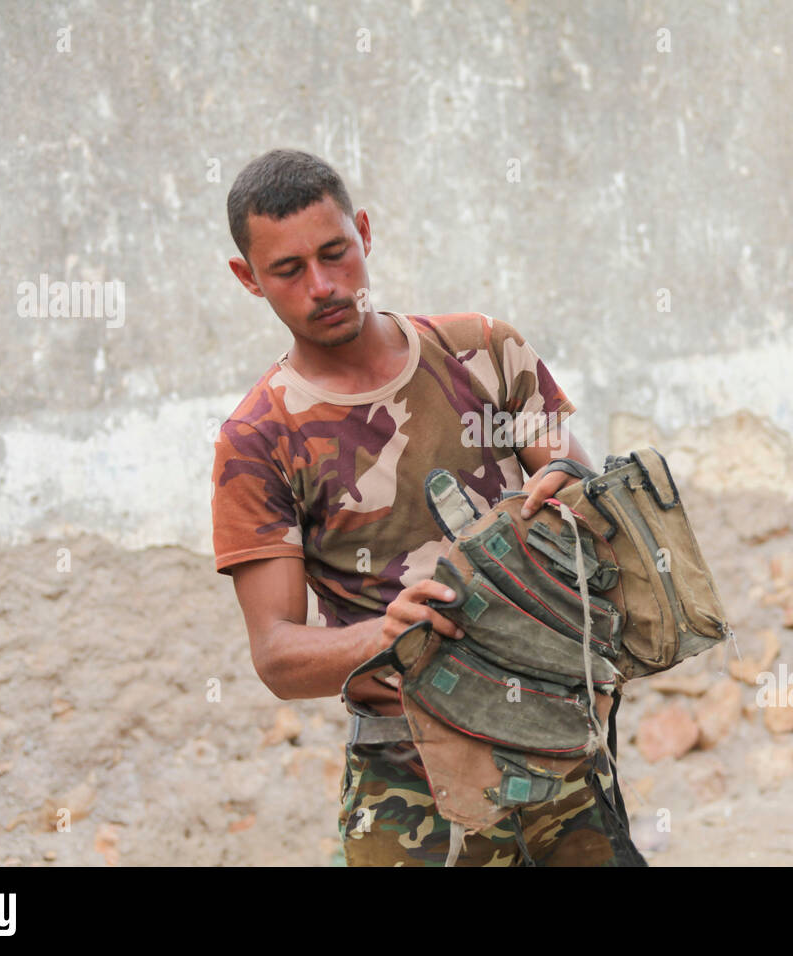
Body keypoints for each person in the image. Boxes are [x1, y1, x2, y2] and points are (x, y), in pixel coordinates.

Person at [211, 149, 632, 866]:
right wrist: (384, 633)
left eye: (336, 253)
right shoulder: (258, 439)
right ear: (248, 278)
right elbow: (278, 656)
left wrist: (580, 501)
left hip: (561, 754)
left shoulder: (483, 351)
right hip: (412, 790)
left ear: (365, 233)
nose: (323, 285)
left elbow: (590, 510)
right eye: (288, 270)